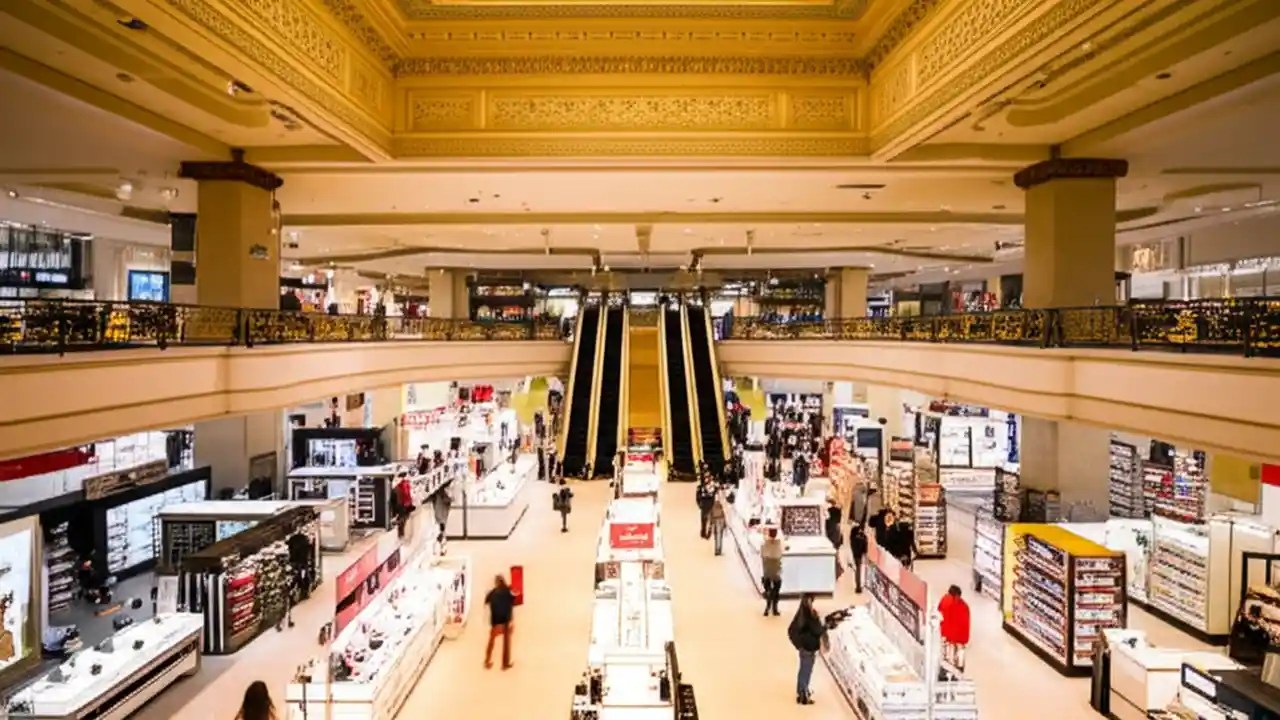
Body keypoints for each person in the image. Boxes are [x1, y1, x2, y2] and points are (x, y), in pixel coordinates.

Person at [787, 593, 827, 705]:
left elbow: (792, 630)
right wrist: (821, 622)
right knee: (807, 670)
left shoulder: (801, 615)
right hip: (809, 647)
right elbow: (817, 630)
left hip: (803, 647)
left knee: (803, 669)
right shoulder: (810, 616)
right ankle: (803, 694)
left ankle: (801, 691)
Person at [483, 574, 515, 670]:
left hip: (496, 622)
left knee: (491, 642)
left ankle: (487, 661)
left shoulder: (493, 592)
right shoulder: (508, 591)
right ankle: (505, 664)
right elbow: (514, 600)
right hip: (505, 621)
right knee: (507, 642)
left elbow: (486, 601)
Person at [938, 585, 971, 671]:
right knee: (960, 649)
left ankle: (949, 667)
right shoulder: (964, 606)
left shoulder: (944, 601)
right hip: (960, 635)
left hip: (948, 634)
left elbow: (940, 615)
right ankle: (959, 667)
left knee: (950, 649)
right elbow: (966, 622)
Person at [761, 528, 783, 616]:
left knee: (768, 588)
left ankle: (767, 607)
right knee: (777, 587)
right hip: (776, 571)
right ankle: (775, 608)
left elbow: (762, 555)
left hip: (767, 571)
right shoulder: (778, 543)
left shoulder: (764, 543)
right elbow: (780, 554)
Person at [849, 502, 870, 594]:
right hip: (860, 550)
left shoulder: (854, 531)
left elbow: (851, 540)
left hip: (856, 551)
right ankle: (860, 585)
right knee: (860, 568)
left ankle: (859, 585)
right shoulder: (860, 532)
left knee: (858, 569)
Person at [824, 500, 843, 579]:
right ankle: (838, 571)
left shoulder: (828, 516)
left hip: (831, 537)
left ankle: (837, 571)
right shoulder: (838, 512)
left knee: (833, 555)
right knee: (836, 554)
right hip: (836, 536)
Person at [708, 488, 727, 555]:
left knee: (717, 536)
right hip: (720, 520)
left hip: (716, 520)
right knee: (720, 536)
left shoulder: (713, 506)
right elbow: (723, 514)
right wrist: (725, 523)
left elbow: (711, 515)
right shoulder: (720, 505)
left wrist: (711, 523)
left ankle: (717, 550)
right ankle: (719, 550)